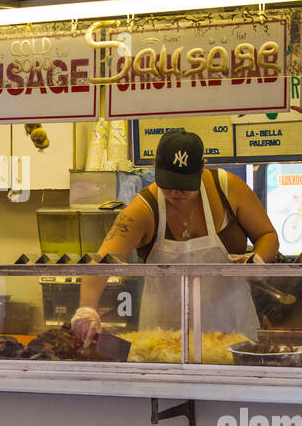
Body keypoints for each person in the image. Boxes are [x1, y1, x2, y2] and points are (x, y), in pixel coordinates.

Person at [72, 129, 279, 346]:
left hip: (231, 327)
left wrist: (258, 259)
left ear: (202, 167)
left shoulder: (227, 188)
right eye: (168, 184)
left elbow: (268, 235)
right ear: (155, 167)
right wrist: (87, 309)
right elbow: (103, 260)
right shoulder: (144, 209)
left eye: (184, 185)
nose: (175, 193)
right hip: (163, 335)